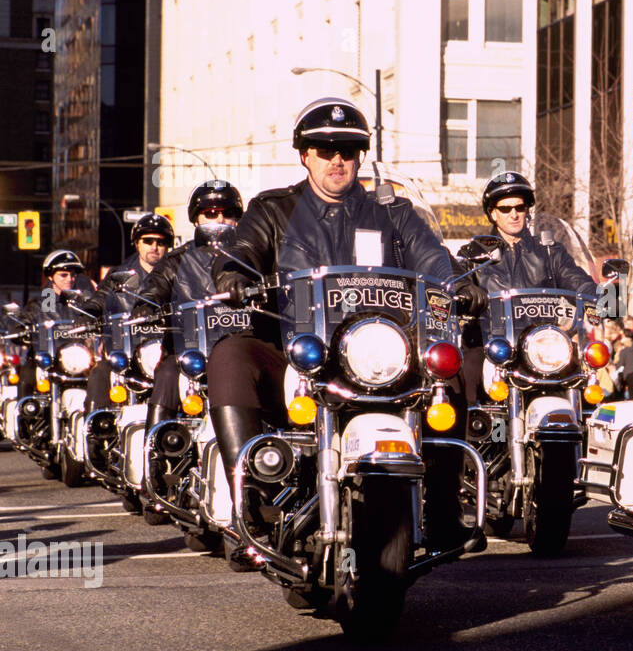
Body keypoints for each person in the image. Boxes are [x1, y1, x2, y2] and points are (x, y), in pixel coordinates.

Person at [208, 96, 487, 549]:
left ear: (360, 156)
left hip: (381, 350)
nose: (337, 159)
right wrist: (235, 272)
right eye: (325, 149)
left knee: (445, 368)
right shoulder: (273, 209)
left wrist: (456, 282)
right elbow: (243, 250)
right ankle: (253, 502)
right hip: (301, 353)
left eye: (349, 150)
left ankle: (441, 509)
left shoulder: (393, 212)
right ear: (304, 155)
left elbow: (433, 257)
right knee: (230, 355)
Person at [457, 171, 597, 403]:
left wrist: (600, 297)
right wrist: (463, 295)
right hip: (492, 343)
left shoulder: (550, 252)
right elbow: (458, 284)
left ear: (527, 210)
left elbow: (577, 280)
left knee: (582, 377)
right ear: (492, 213)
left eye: (519, 207)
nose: (513, 214)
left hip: (542, 344)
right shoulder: (473, 255)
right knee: (466, 369)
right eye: (505, 209)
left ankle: (575, 431)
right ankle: (467, 434)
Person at [134, 180, 244, 430]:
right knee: (168, 373)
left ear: (238, 219)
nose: (220, 219)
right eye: (211, 214)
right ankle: (155, 452)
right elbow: (156, 285)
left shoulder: (251, 255)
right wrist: (147, 304)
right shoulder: (177, 260)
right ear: (196, 220)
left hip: (241, 348)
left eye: (227, 213)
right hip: (190, 351)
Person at [76, 214, 175, 412]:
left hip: (166, 351)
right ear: (137, 243)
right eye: (148, 241)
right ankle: (96, 432)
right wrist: (88, 312)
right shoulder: (119, 275)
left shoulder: (178, 273)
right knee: (101, 374)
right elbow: (101, 297)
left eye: (161, 242)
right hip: (127, 353)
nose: (154, 247)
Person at [17, 250, 96, 397]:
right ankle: (24, 415)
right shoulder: (38, 304)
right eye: (63, 275)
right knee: (27, 372)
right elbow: (24, 320)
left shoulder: (83, 302)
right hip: (47, 362)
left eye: (73, 275)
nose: (69, 279)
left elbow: (98, 320)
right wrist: (21, 329)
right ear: (50, 276)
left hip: (78, 360)